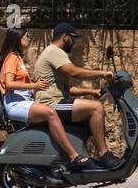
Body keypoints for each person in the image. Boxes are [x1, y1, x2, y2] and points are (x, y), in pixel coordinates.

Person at [0, 27, 100, 173]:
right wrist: (34, 85)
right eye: (27, 36)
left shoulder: (18, 58)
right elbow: (9, 84)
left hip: (24, 102)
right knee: (50, 113)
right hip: (16, 104)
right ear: (18, 38)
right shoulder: (11, 58)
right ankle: (73, 156)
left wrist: (90, 92)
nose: (29, 38)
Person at [31, 23, 121, 169]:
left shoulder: (52, 52)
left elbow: (67, 89)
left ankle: (87, 158)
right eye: (73, 39)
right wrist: (103, 73)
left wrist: (91, 92)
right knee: (96, 108)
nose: (74, 42)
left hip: (56, 100)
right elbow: (74, 72)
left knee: (90, 114)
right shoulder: (54, 51)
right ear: (65, 37)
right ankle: (104, 155)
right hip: (52, 104)